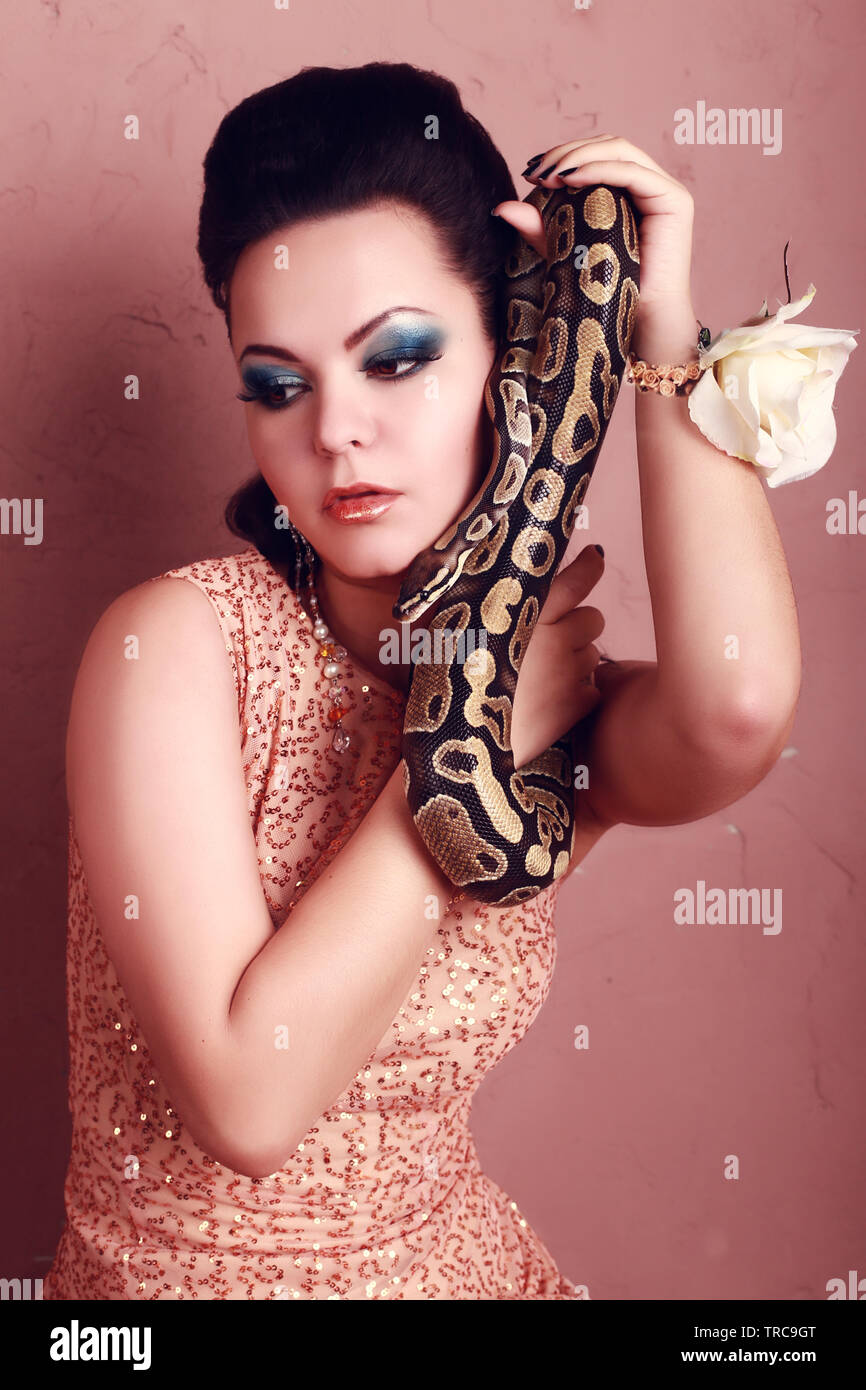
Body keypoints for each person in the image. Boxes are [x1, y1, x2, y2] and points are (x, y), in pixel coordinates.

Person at [44, 62, 801, 1301]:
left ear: (514, 351)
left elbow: (735, 707)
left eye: (393, 359)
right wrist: (476, 742)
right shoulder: (174, 648)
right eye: (277, 384)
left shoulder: (553, 686)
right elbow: (250, 1096)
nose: (334, 428)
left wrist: (654, 336)